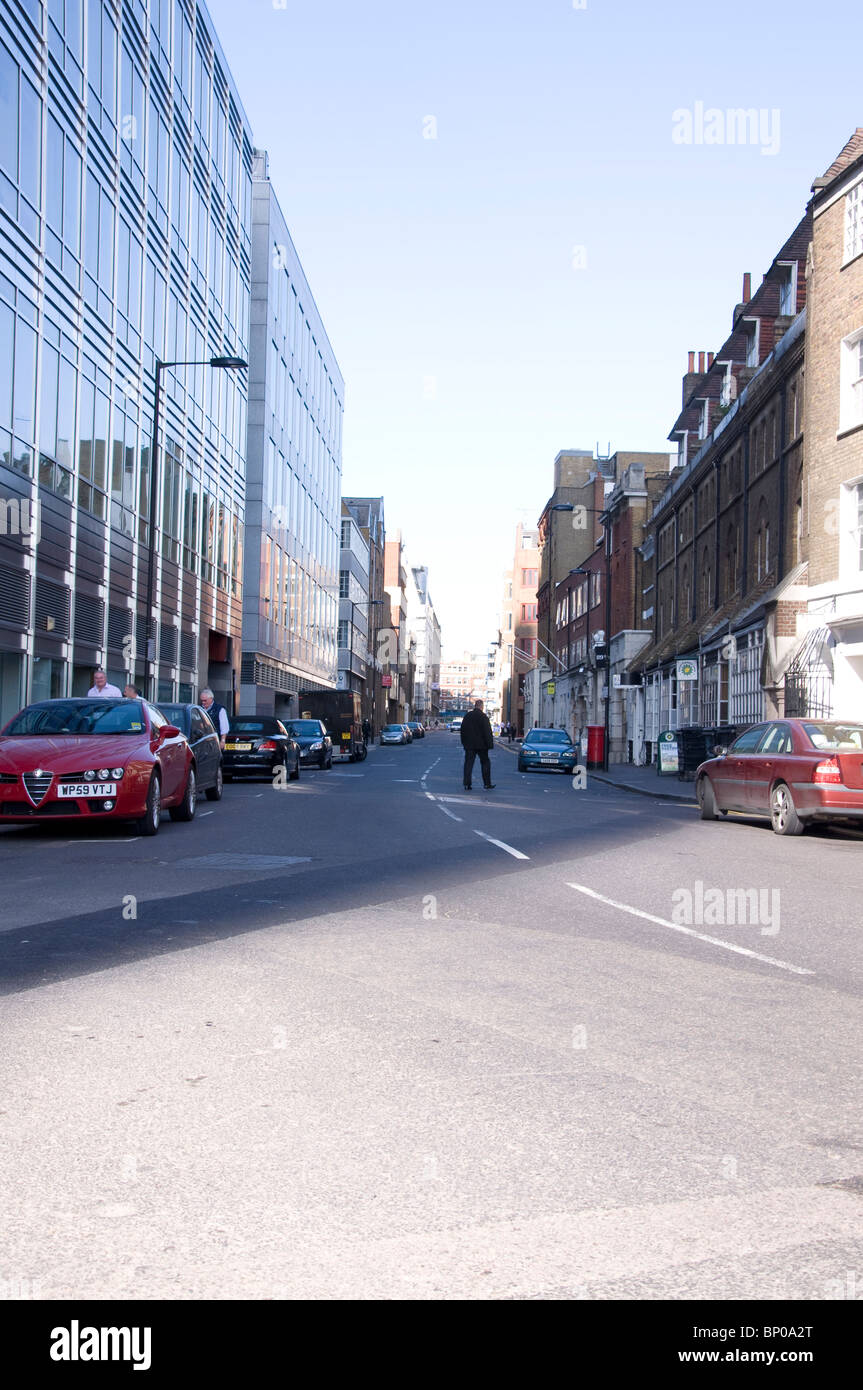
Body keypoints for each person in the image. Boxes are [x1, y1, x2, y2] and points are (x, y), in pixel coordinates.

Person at [460, 698, 495, 791]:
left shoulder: (467, 716)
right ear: (481, 706)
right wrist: (490, 745)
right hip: (482, 745)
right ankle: (487, 784)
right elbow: (487, 732)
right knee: (485, 763)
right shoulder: (483, 717)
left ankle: (467, 784)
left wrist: (464, 743)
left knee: (468, 764)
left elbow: (462, 731)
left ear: (475, 706)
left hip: (469, 745)